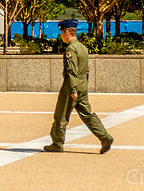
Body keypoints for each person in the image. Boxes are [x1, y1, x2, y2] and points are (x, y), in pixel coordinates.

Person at [43, 19, 113, 154]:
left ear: (66, 32)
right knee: (87, 115)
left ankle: (57, 143)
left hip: (71, 87)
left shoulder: (71, 49)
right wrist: (82, 87)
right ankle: (105, 137)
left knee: (61, 116)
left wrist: (73, 89)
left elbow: (71, 71)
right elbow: (86, 70)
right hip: (82, 86)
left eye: (62, 33)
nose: (61, 36)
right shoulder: (82, 47)